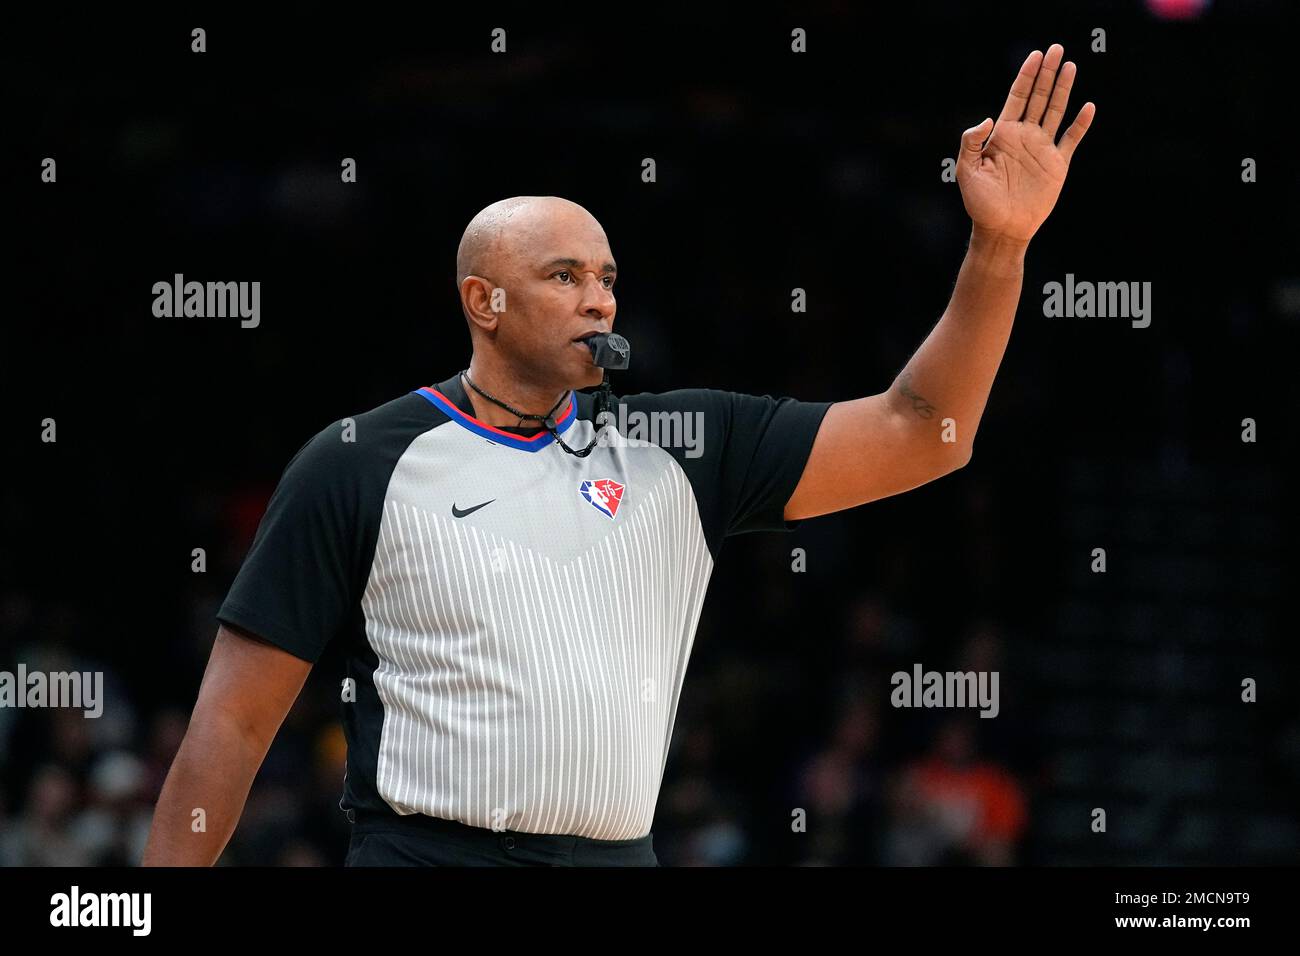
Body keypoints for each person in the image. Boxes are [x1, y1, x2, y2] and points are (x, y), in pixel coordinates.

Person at [141, 44, 1092, 866]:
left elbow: (924, 430)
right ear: (484, 302)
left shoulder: (683, 449)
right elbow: (231, 725)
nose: (599, 300)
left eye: (607, 278)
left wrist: (998, 248)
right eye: (563, 276)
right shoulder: (359, 462)